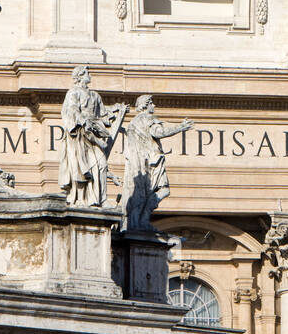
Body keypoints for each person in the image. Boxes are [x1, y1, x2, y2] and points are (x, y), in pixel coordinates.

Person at [121, 95, 192, 232]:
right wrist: (180, 127)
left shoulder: (133, 123)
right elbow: (159, 132)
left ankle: (139, 220)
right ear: (145, 105)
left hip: (138, 164)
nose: (154, 106)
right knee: (163, 190)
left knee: (142, 193)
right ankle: (143, 219)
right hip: (151, 162)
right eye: (151, 103)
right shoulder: (147, 119)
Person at [58, 65, 121, 206]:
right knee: (81, 167)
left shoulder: (95, 95)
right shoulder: (73, 93)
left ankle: (101, 199)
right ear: (80, 76)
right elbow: (72, 110)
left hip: (95, 132)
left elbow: (103, 114)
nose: (90, 75)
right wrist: (83, 121)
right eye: (87, 73)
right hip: (80, 134)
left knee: (101, 164)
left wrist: (117, 109)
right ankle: (81, 199)